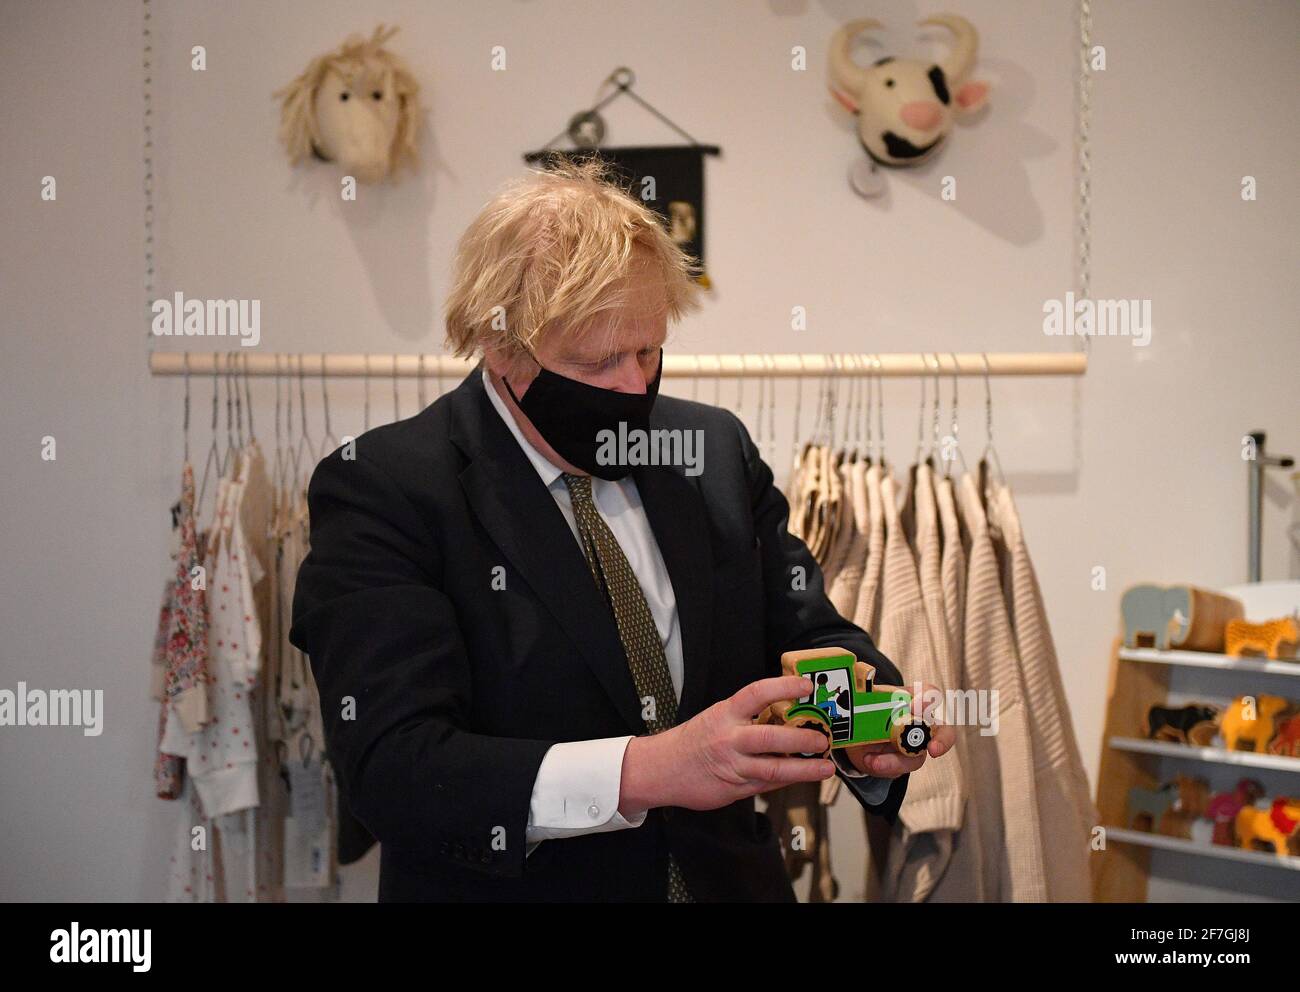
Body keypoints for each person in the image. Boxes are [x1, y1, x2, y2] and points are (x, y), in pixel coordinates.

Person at [289, 157, 955, 902]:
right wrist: (650, 770)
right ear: (501, 345)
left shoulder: (712, 454)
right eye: (599, 361)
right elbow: (394, 767)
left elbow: (809, 632)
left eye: (648, 350)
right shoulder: (389, 487)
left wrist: (873, 717)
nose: (636, 387)